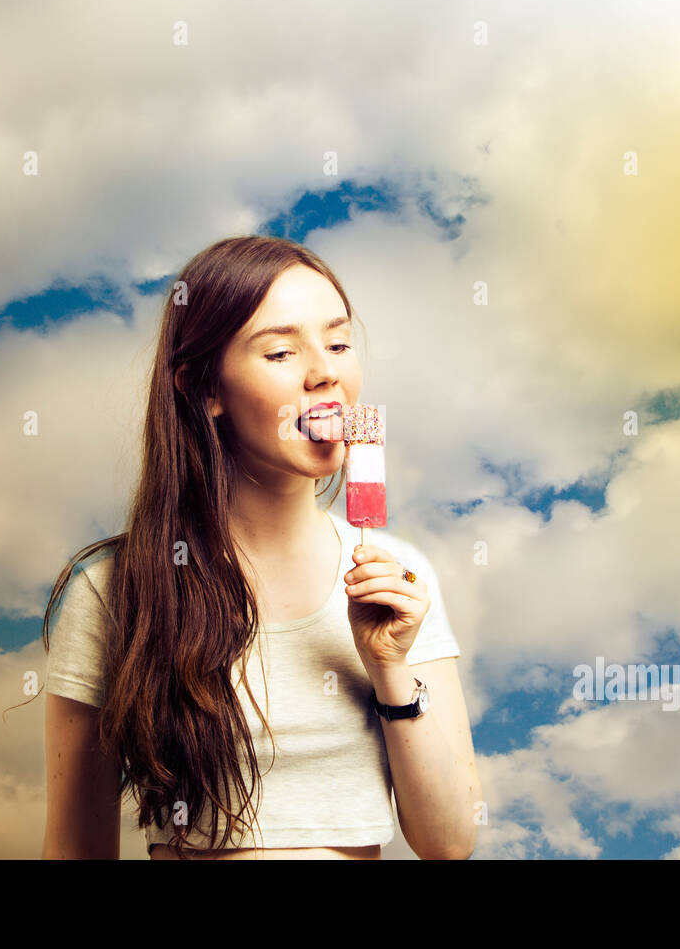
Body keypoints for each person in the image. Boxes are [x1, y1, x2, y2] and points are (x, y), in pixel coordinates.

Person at [40, 234, 482, 859]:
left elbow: (450, 843)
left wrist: (390, 668)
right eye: (279, 351)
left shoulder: (401, 578)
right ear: (204, 390)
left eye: (337, 343)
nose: (324, 371)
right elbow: (74, 848)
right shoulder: (114, 588)